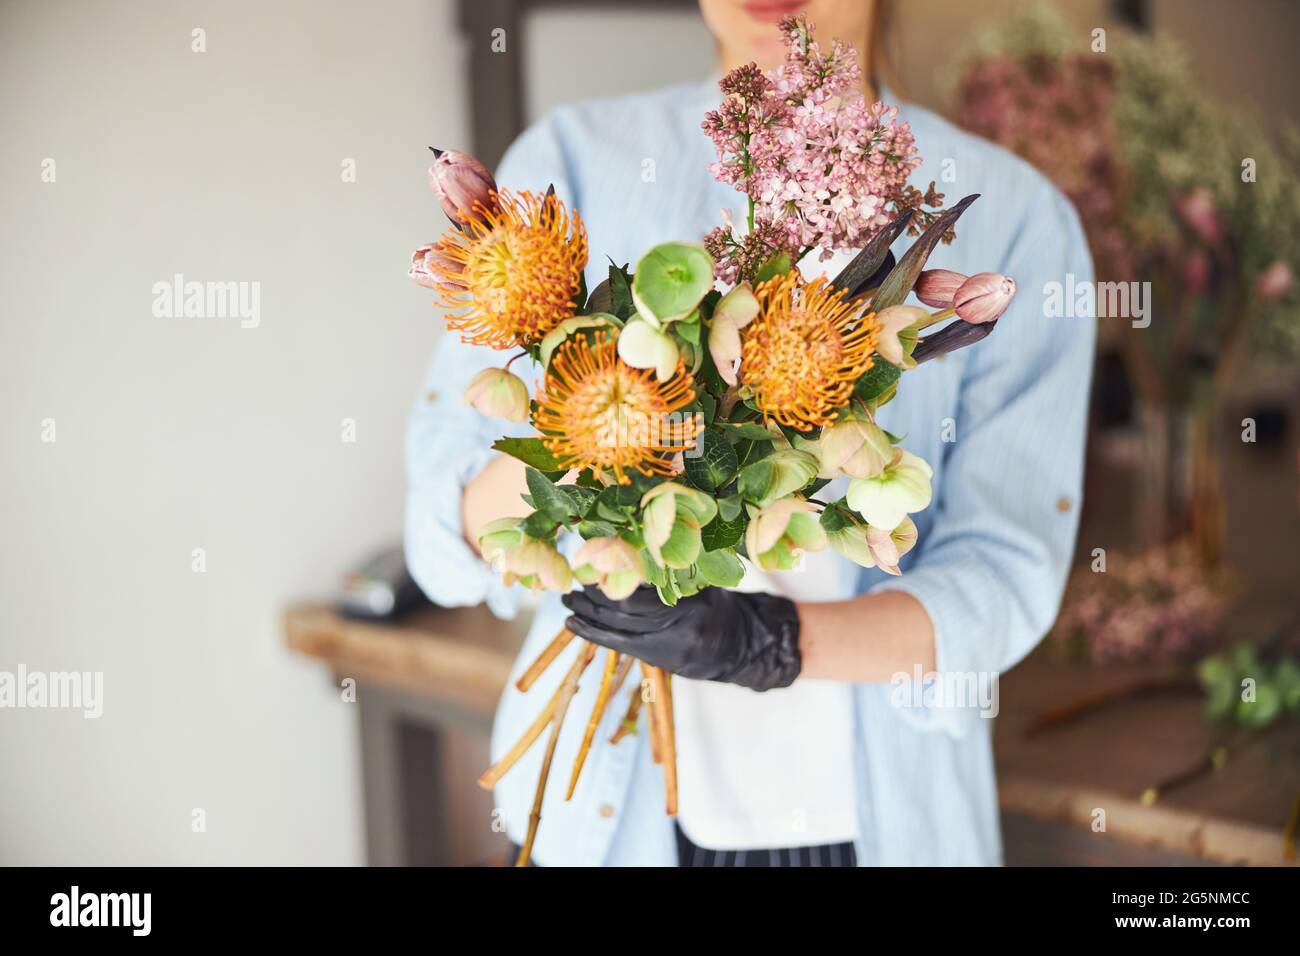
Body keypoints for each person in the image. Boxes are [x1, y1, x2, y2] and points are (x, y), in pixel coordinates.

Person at [405, 0, 1095, 866]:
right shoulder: (572, 163)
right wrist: (600, 413)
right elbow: (444, 520)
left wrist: (769, 645)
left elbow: (1006, 574)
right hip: (606, 823)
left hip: (878, 830)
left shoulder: (1021, 221)